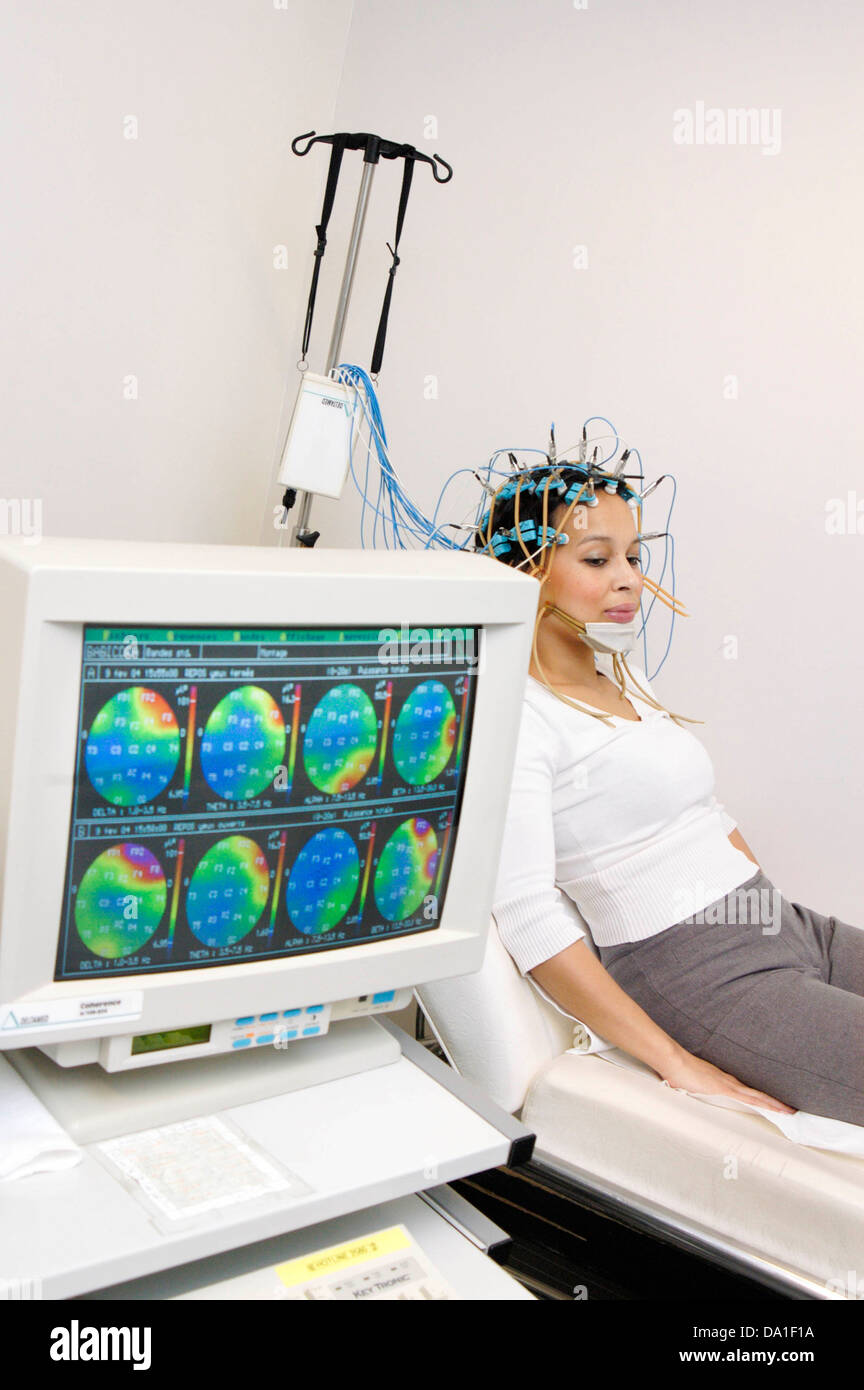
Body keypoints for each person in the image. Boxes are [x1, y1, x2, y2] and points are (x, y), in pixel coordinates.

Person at [480, 459, 864, 1126]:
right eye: (598, 559)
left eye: (633, 555)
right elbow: (528, 917)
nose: (630, 579)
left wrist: (766, 914)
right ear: (528, 570)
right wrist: (677, 1062)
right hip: (698, 974)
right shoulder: (518, 715)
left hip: (783, 925)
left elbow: (707, 815)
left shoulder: (625, 680)